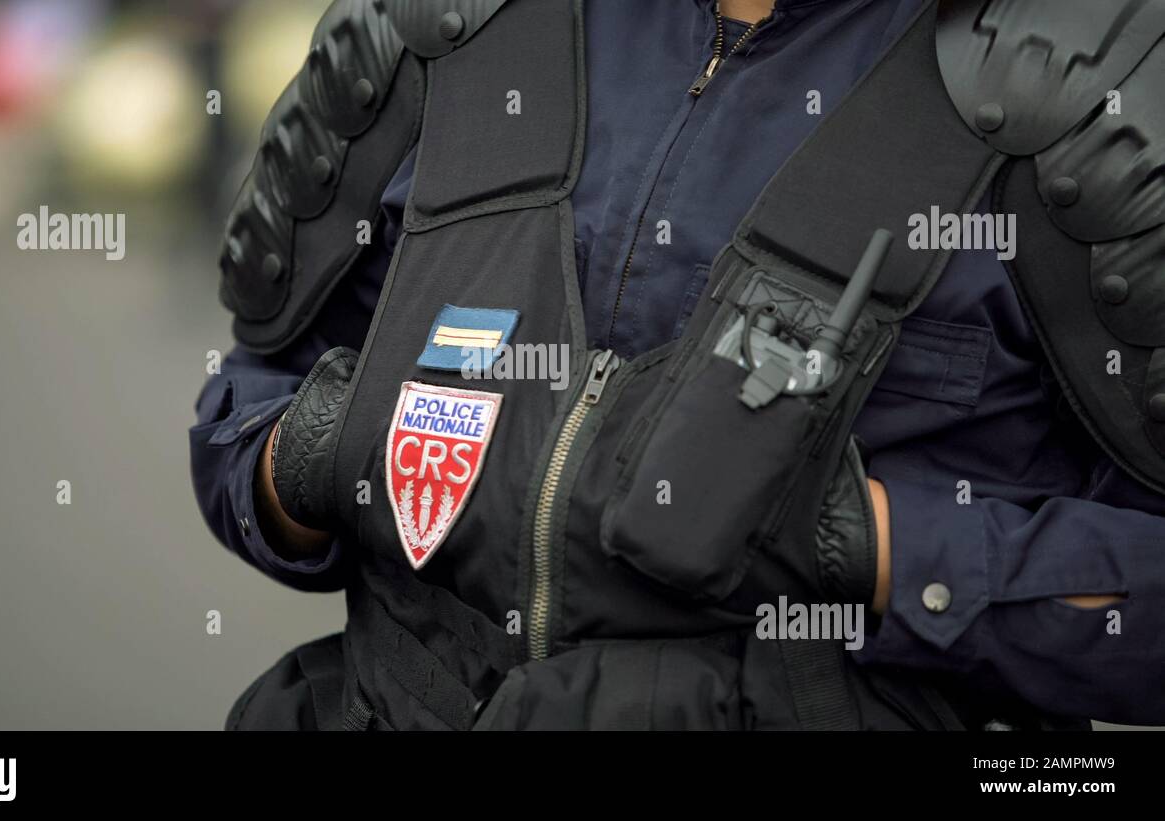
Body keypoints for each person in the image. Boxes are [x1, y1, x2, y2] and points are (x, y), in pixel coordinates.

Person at [191, 0, 1165, 729]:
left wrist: (879, 551)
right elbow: (254, 385)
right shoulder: (450, 27)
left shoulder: (1090, 107)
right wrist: (307, 454)